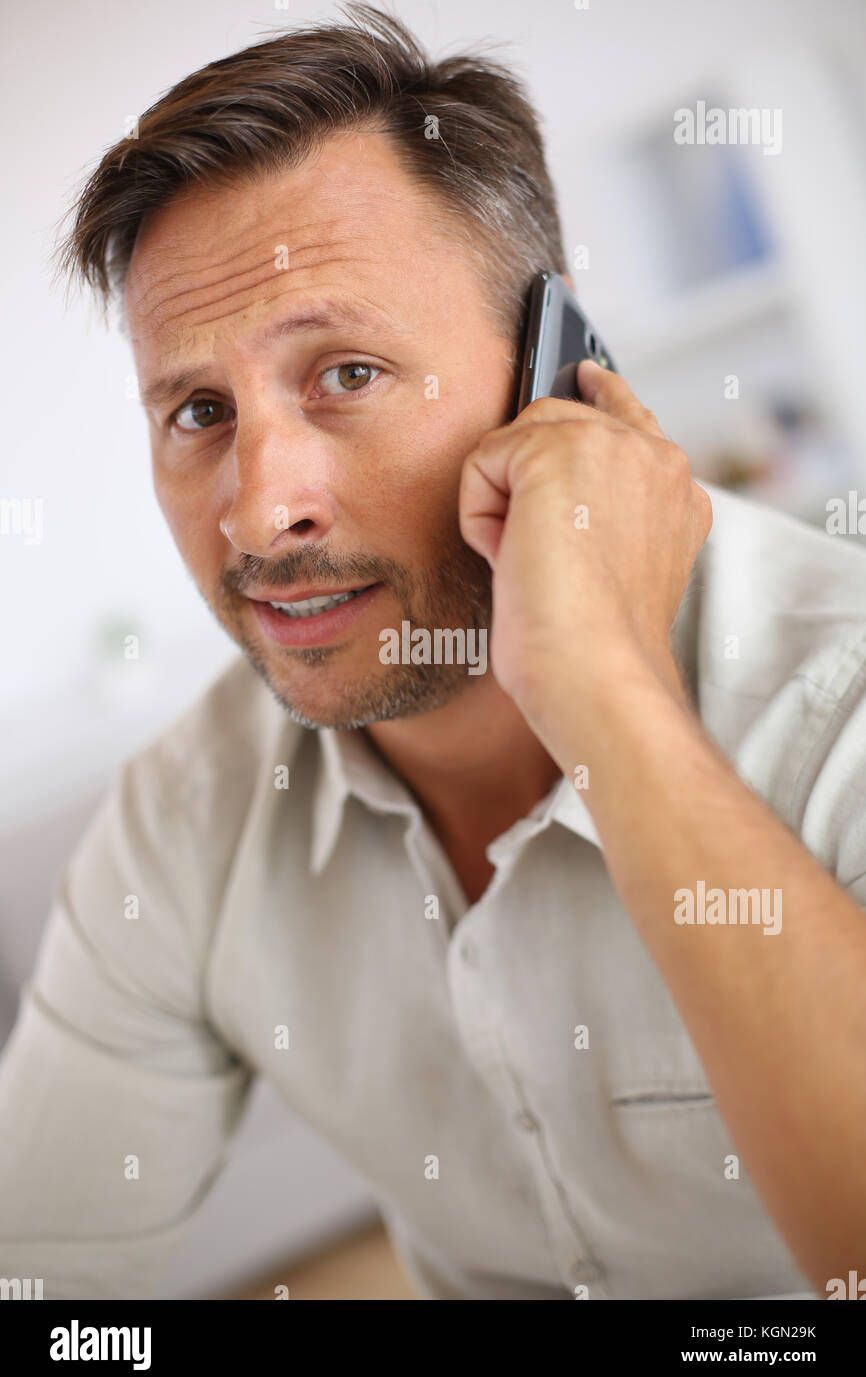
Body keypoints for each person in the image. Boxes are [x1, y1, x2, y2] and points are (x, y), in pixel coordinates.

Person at [2, 3, 865, 1301]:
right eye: (196, 410)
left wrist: (605, 698)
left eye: (344, 372)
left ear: (553, 372)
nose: (255, 506)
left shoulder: (835, 696)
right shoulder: (189, 823)